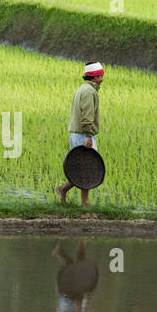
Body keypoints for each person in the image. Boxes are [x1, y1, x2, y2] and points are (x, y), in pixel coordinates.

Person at [56, 61, 104, 207]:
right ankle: (67, 191)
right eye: (101, 75)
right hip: (83, 134)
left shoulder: (82, 89)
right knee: (88, 167)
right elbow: (87, 116)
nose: (102, 78)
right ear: (95, 77)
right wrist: (89, 135)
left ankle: (82, 200)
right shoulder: (89, 92)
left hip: (77, 133)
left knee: (84, 167)